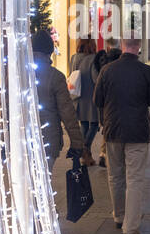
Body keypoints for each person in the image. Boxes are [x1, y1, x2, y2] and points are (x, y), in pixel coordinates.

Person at [93, 36, 150, 234]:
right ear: (138, 47)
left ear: (122, 46)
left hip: (113, 130)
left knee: (115, 176)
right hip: (138, 132)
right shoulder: (147, 72)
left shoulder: (107, 70)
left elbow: (97, 100)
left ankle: (119, 215)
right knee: (134, 179)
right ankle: (130, 228)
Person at [32, 31, 84, 167]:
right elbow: (67, 112)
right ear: (50, 51)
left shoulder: (19, 76)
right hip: (47, 139)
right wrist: (77, 143)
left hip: (20, 140)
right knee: (44, 181)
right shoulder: (55, 77)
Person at [69, 36, 99, 166]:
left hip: (78, 96)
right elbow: (95, 78)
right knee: (94, 125)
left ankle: (83, 152)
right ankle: (85, 149)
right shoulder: (93, 59)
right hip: (90, 98)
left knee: (85, 124)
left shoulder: (74, 57)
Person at [91, 37, 121, 166]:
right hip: (117, 100)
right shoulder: (120, 59)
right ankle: (106, 154)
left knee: (107, 126)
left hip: (105, 101)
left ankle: (103, 153)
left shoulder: (102, 60)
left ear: (108, 46)